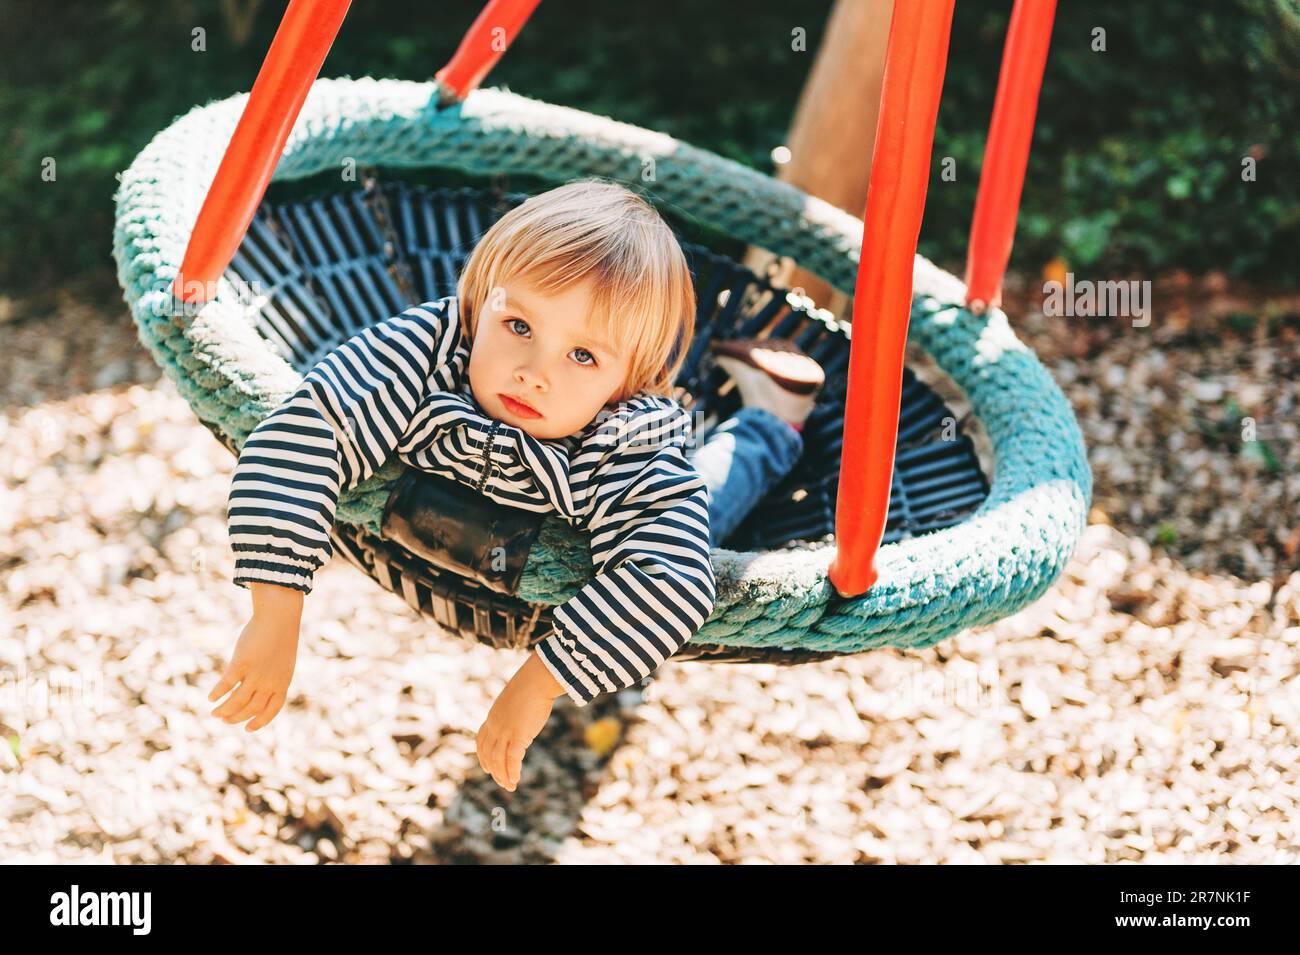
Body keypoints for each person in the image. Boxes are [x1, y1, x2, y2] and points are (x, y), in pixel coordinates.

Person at [210, 177, 823, 792]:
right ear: (481, 305)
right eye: (520, 327)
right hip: (445, 556)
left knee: (707, 508)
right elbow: (306, 432)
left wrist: (540, 682)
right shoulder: (426, 352)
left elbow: (671, 581)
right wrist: (276, 607)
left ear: (623, 386)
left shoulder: (626, 444)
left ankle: (770, 421)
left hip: (560, 584)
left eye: (582, 357)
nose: (534, 374)